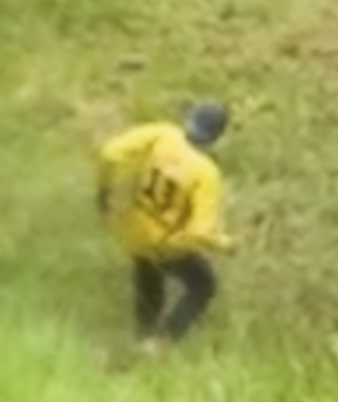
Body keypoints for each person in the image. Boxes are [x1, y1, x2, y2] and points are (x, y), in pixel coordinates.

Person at [94, 104, 235, 352]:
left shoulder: (162, 135)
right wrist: (220, 242)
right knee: (203, 285)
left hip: (133, 226)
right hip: (163, 239)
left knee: (148, 272)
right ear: (216, 137)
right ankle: (163, 342)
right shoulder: (205, 172)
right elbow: (201, 232)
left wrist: (104, 192)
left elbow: (109, 153)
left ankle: (142, 337)